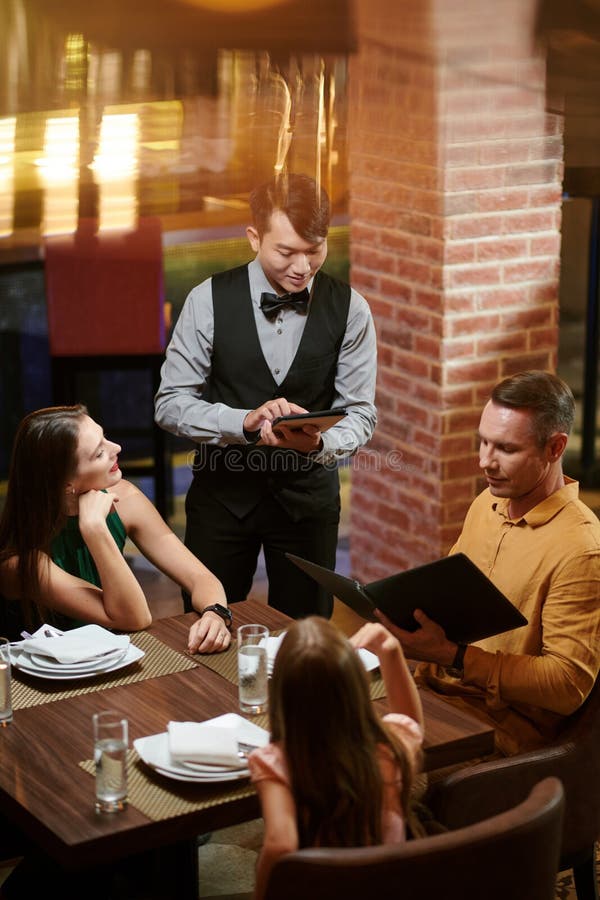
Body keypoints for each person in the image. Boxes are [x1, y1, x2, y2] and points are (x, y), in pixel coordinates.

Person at [154, 172, 377, 619]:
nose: (302, 266)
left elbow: (361, 412)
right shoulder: (207, 300)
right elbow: (170, 403)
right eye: (286, 252)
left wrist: (321, 443)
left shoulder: (350, 309)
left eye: (314, 250)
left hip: (308, 504)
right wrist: (242, 422)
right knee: (206, 629)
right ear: (254, 238)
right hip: (222, 499)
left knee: (306, 639)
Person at [377, 370, 600, 757]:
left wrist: (453, 656)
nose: (485, 461)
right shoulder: (487, 504)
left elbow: (567, 685)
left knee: (359, 771)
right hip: (434, 690)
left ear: (555, 447)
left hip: (495, 729)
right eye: (483, 442)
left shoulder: (581, 548)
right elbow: (450, 598)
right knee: (324, 721)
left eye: (506, 449)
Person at [0, 405, 231, 654]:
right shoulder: (24, 562)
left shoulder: (124, 498)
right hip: (49, 680)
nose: (116, 449)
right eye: (99, 453)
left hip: (110, 659)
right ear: (67, 484)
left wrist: (214, 613)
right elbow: (134, 618)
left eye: (105, 438)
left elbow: (200, 577)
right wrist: (94, 528)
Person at [247, 616, 424, 900]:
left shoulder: (275, 762)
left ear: (282, 695)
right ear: (356, 686)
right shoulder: (389, 748)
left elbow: (280, 844)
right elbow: (411, 722)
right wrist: (391, 652)